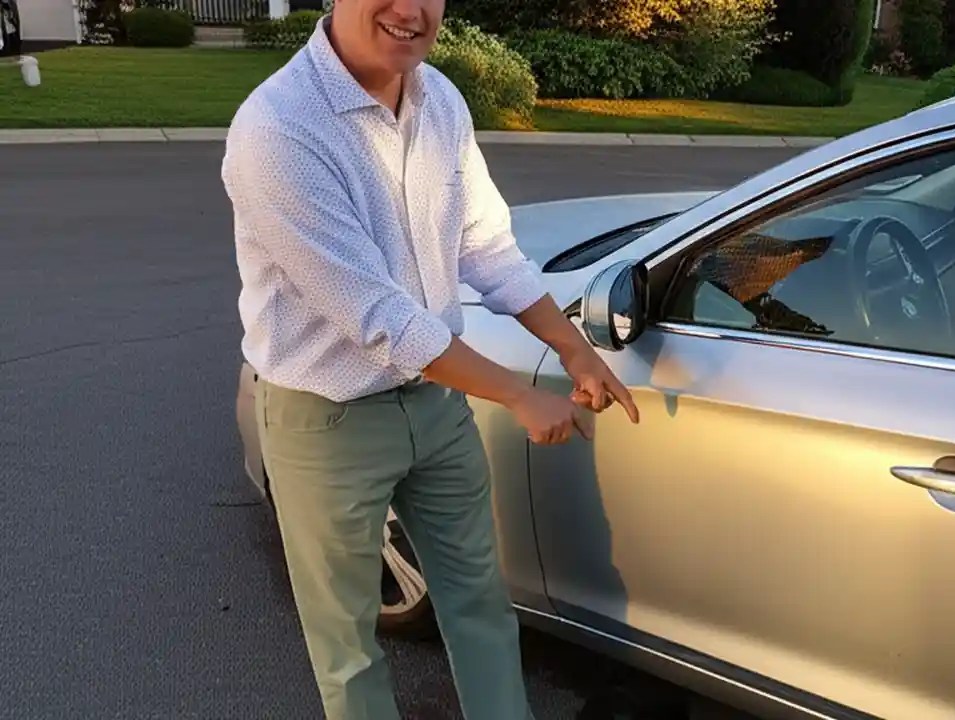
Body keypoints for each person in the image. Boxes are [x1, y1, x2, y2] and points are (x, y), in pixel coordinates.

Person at [219, 0, 640, 717]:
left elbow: (486, 246)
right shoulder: (278, 131)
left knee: (481, 603)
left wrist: (572, 348)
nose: (410, 10)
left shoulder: (438, 97)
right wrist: (517, 394)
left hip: (437, 407)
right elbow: (376, 317)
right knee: (348, 649)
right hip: (328, 424)